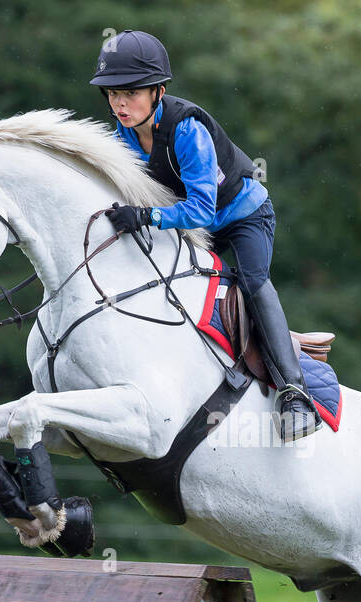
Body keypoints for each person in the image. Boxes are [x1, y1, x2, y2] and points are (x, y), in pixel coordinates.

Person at [93, 29, 321, 443]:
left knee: (251, 281)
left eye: (129, 93)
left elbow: (201, 209)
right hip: (195, 223)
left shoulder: (187, 129)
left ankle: (295, 393)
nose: (119, 104)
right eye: (111, 94)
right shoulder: (120, 136)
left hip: (242, 216)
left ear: (158, 90)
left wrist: (144, 215)